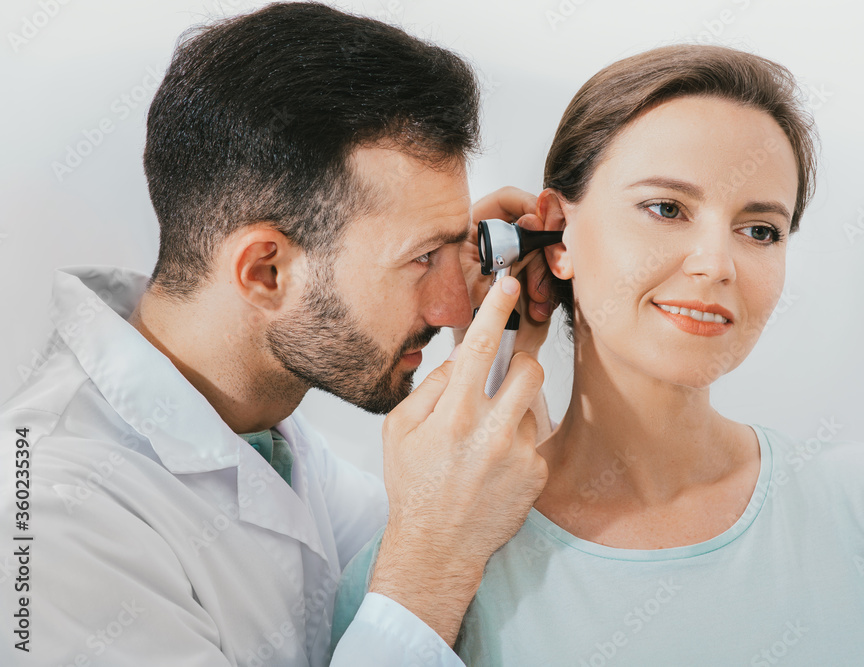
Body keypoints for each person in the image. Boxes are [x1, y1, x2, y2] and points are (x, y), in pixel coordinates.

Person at [332, 44, 864, 665]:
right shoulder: (421, 570)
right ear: (559, 237)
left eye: (760, 230)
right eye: (666, 208)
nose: (717, 264)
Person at [0, 3, 562, 666]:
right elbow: (423, 571)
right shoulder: (49, 520)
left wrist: (504, 338)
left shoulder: (263, 435)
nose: (451, 308)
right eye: (421, 259)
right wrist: (432, 558)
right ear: (266, 270)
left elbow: (463, 550)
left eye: (458, 246)